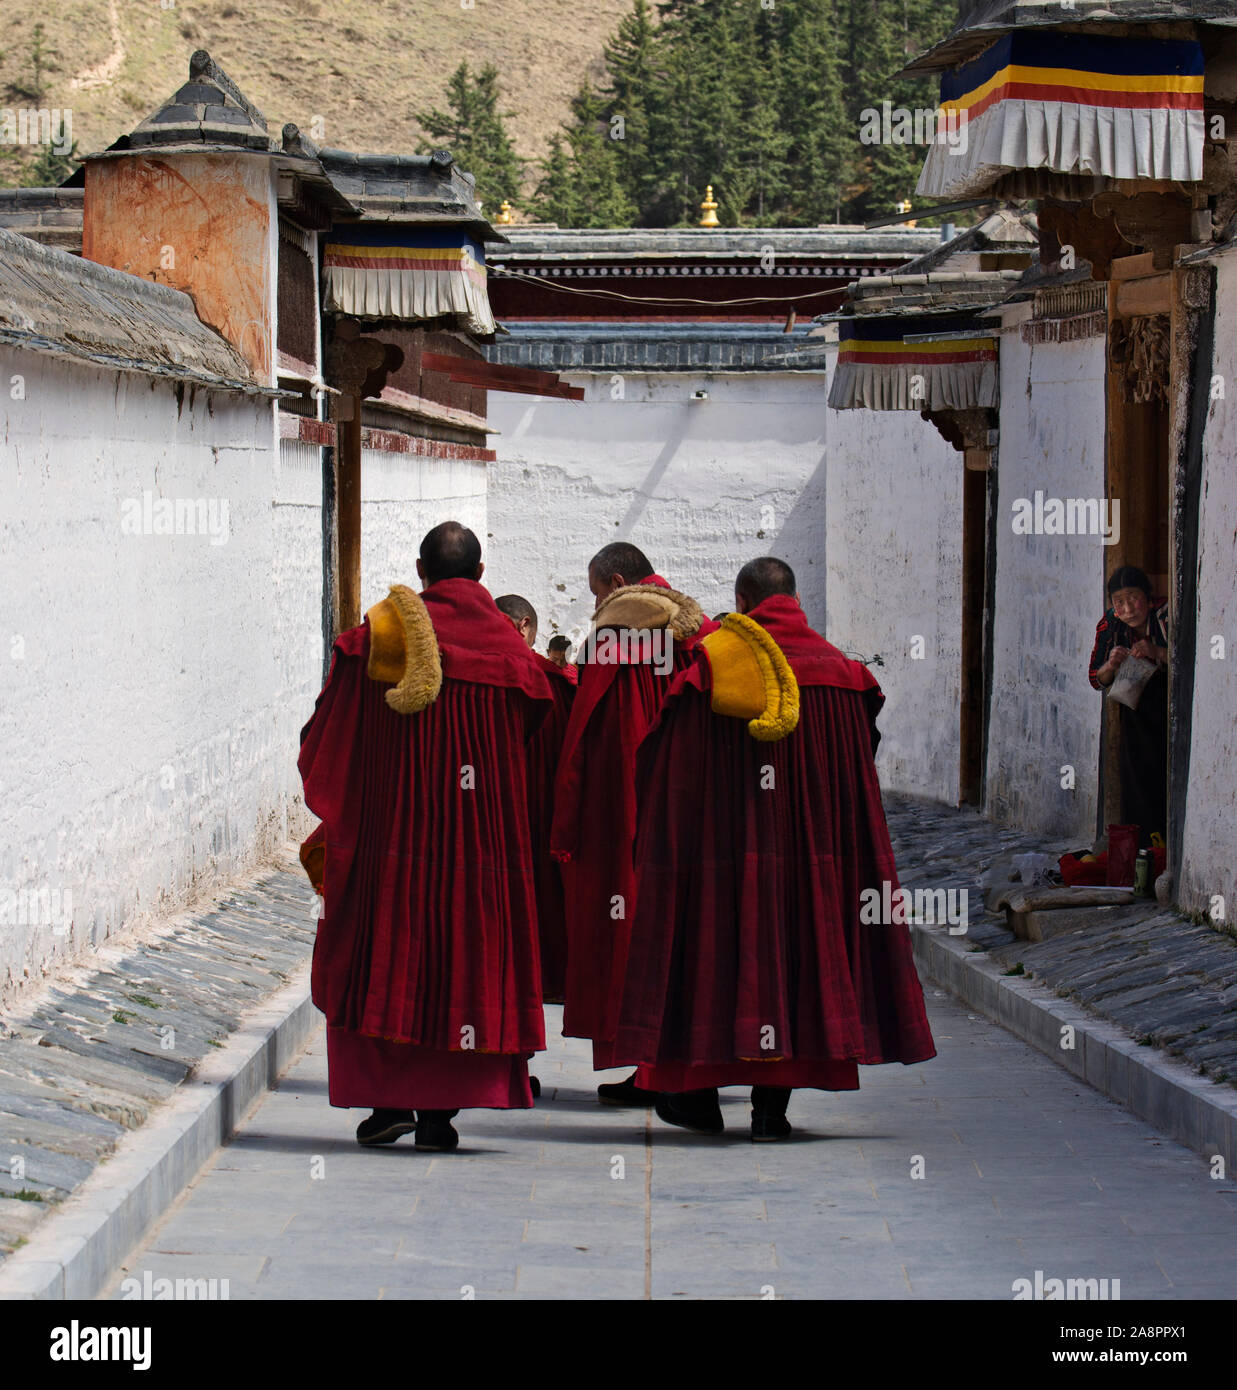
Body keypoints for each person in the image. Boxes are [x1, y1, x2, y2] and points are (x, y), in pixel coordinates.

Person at [611, 557, 937, 1140]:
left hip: (728, 853)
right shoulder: (843, 671)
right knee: (796, 956)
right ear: (796, 599)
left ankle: (699, 1098)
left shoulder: (714, 667)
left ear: (742, 604)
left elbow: (669, 767)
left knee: (716, 953)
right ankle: (769, 1112)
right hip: (815, 857)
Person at [298, 522, 552, 1152]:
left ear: (420, 570)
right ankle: (441, 1116)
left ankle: (390, 1103)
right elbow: (537, 742)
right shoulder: (512, 651)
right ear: (483, 573)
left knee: (392, 949)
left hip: (395, 834)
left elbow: (328, 740)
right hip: (483, 843)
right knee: (464, 956)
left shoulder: (380, 636)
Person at [550, 542, 718, 1104]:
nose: (596, 605)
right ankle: (690, 1062)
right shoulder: (702, 631)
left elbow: (586, 743)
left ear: (617, 583)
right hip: (697, 807)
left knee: (633, 928)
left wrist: (569, 826)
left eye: (597, 593)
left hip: (629, 811)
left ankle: (650, 1067)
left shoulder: (615, 640)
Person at [495, 594, 576, 1009]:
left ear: (525, 625)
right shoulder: (555, 682)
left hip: (496, 816)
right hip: (543, 814)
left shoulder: (487, 674)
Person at [1088, 565, 1169, 845]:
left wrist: (1157, 652)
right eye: (1119, 602)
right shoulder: (1110, 625)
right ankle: (1144, 843)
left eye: (1133, 598)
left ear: (1147, 597)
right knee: (1136, 774)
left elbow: (1192, 661)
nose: (1128, 608)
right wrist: (1112, 663)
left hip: (1169, 710)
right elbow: (1096, 679)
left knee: (1165, 771)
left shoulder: (1165, 616)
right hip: (1134, 715)